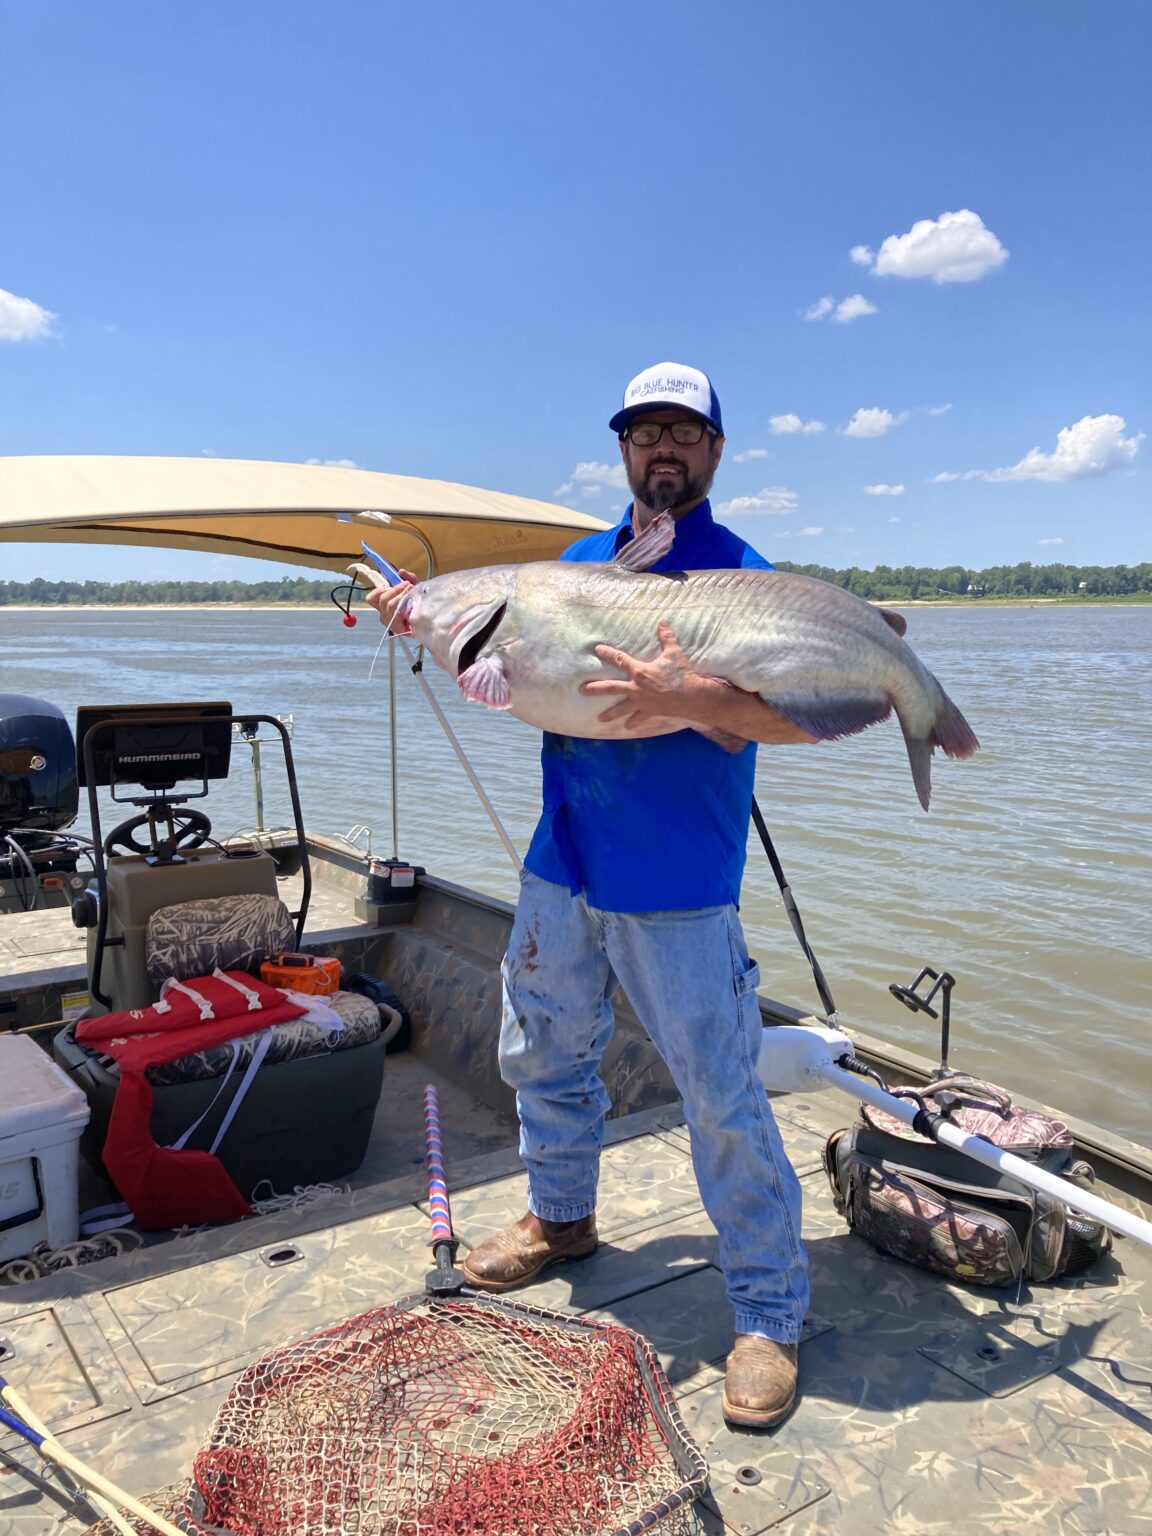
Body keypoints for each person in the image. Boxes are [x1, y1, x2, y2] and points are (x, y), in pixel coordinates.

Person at [369, 362, 814, 1428]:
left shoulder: (745, 575)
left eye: (684, 432)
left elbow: (797, 717)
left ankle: (767, 1307)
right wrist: (427, 625)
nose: (662, 447)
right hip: (562, 860)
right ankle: (561, 1217)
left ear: (716, 449)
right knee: (543, 1054)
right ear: (621, 449)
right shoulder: (567, 568)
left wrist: (691, 693)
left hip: (678, 878)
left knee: (719, 1091)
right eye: (643, 431)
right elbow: (516, 684)